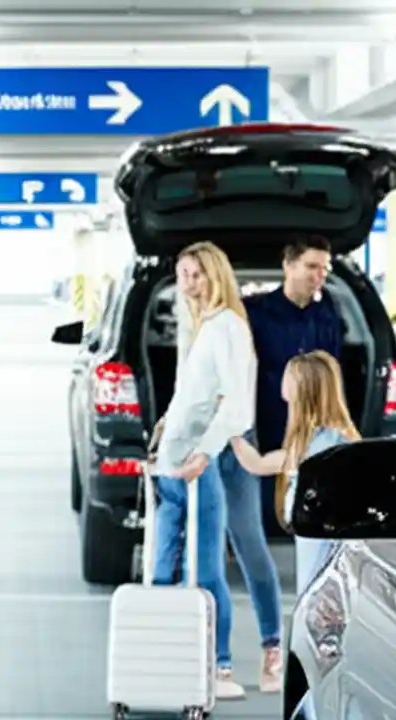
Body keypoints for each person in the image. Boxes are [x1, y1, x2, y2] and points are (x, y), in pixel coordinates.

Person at [149, 241, 260, 701]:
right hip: (170, 461)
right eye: (182, 274)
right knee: (161, 566)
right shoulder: (196, 326)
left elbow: (236, 406)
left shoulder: (227, 327)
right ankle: (161, 655)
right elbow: (189, 393)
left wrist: (205, 451)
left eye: (196, 274)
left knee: (206, 565)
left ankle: (221, 665)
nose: (188, 283)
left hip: (197, 461)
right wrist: (164, 426)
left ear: (215, 276)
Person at [273, 351, 361, 591]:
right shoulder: (323, 439)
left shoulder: (323, 445)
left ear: (304, 388)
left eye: (289, 377)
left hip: (322, 567)